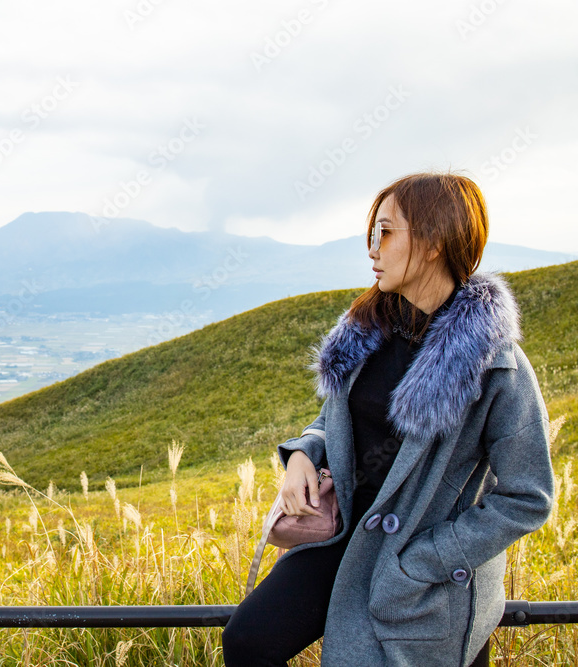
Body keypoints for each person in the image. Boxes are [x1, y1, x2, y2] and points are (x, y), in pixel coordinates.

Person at [221, 171, 556, 666]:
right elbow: (332, 420)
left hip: (423, 563)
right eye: (371, 233)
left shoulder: (495, 365)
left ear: (434, 242)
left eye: (386, 232)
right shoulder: (366, 331)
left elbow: (528, 496)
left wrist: (428, 560)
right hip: (347, 536)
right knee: (246, 641)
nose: (373, 248)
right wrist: (302, 456)